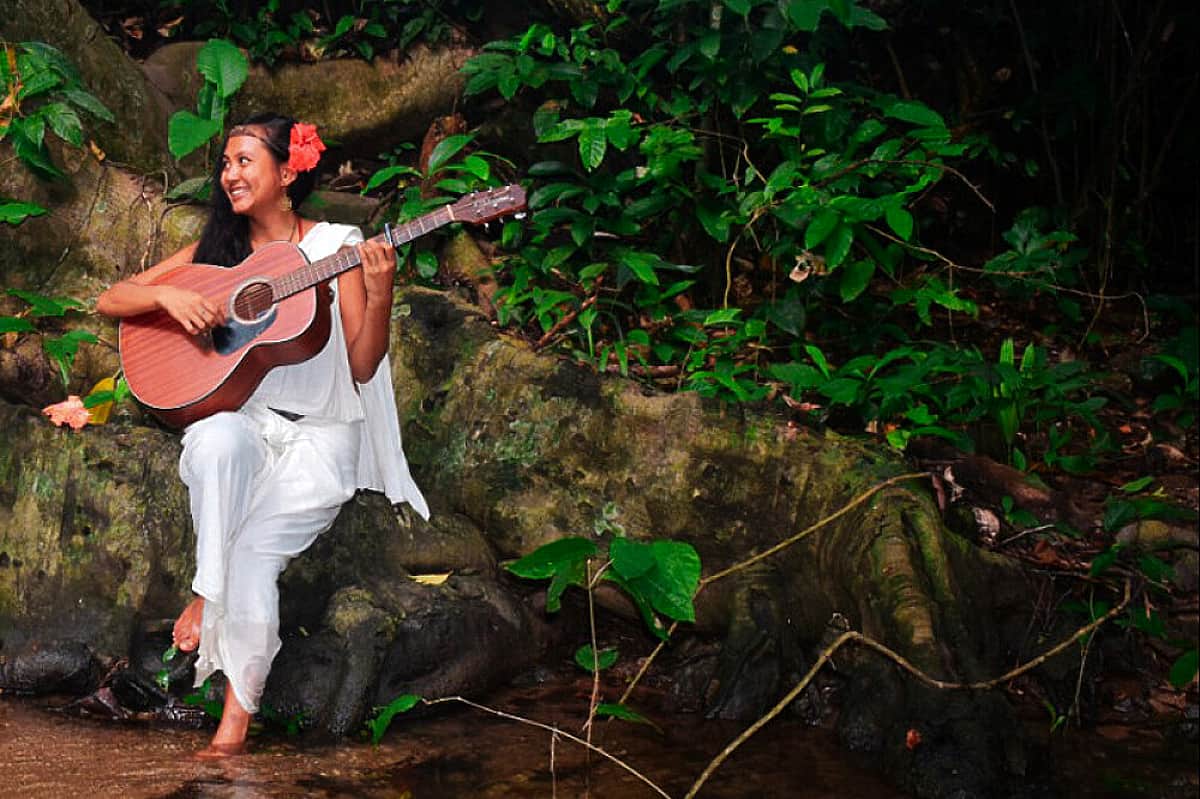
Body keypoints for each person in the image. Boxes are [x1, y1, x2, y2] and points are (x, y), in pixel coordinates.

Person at [96, 112, 429, 758]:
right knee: (214, 438)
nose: (229, 174)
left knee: (252, 554)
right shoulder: (219, 252)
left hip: (321, 436)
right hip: (248, 422)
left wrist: (380, 294)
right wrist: (168, 300)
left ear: (287, 172)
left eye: (245, 161)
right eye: (225, 163)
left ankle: (232, 727)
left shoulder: (337, 243)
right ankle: (205, 590)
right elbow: (114, 299)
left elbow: (362, 365)